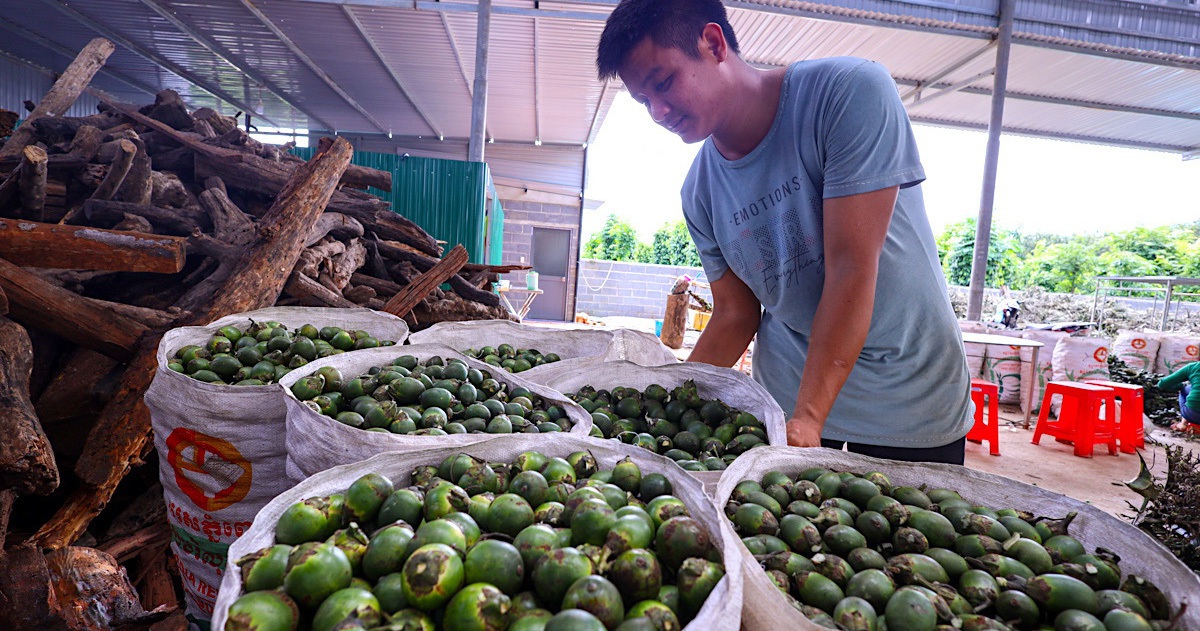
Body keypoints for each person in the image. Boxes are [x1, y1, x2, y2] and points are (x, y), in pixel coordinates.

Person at [597, 0, 973, 464]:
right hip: (784, 406)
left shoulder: (847, 93)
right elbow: (736, 314)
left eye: (663, 83)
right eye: (643, 101)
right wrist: (669, 398)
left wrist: (810, 417)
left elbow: (851, 267)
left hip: (907, 407)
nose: (658, 111)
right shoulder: (700, 191)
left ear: (713, 44)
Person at [1158, 360, 1200, 430]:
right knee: (1189, 388)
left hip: (1192, 414)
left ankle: (1183, 424)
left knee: (1185, 389)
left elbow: (1162, 384)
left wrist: (1180, 386)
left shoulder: (1193, 367)